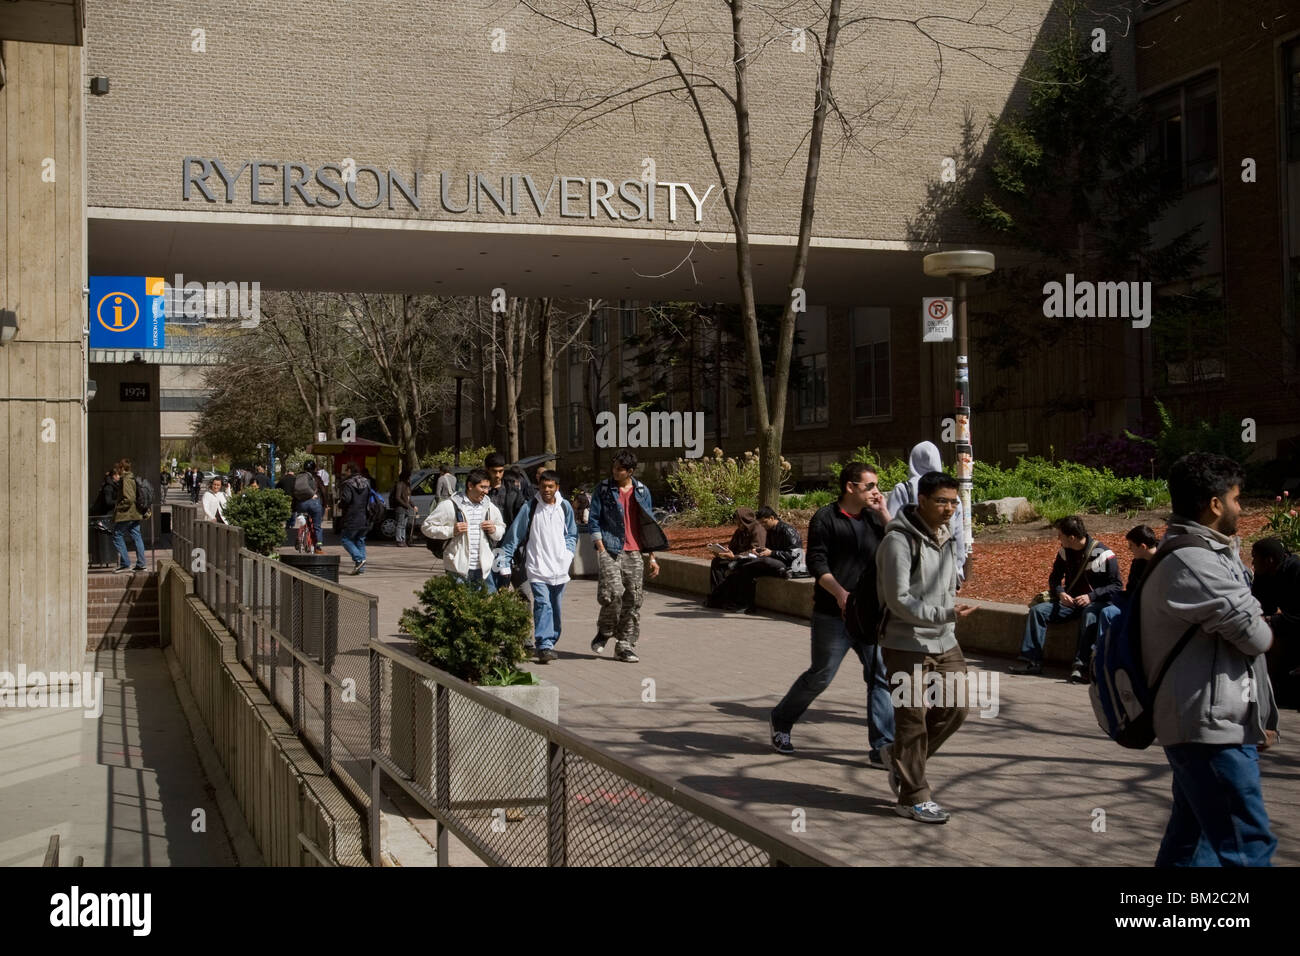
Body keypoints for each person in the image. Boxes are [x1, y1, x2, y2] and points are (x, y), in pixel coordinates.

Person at [1142, 452, 1278, 866]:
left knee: (1192, 840)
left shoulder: (1209, 552)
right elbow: (1258, 635)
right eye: (1237, 499)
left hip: (1211, 722)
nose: (1241, 507)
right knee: (1247, 845)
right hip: (1209, 727)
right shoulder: (1195, 560)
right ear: (1215, 504)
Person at [769, 462, 896, 766]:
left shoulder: (874, 519)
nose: (876, 491)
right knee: (821, 675)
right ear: (850, 487)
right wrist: (840, 594)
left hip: (869, 615)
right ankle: (781, 720)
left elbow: (897, 548)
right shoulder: (825, 518)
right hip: (833, 615)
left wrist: (885, 514)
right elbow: (817, 563)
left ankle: (883, 746)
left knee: (880, 675)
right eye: (870, 486)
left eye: (877, 486)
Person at [878, 471, 977, 823]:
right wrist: (944, 612)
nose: (950, 508)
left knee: (958, 706)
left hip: (944, 638)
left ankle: (900, 757)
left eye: (953, 501)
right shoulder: (898, 542)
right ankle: (912, 797)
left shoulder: (947, 537)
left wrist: (948, 613)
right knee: (912, 719)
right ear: (921, 500)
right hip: (906, 642)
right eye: (942, 501)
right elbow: (898, 599)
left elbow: (946, 585)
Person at [1010, 515, 1122, 681]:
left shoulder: (1103, 554)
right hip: (1070, 602)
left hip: (1095, 603)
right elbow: (1054, 578)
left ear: (1072, 537)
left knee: (1090, 614)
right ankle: (1032, 661)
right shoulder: (1064, 552)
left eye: (1060, 535)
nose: (1058, 538)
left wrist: (1091, 596)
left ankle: (1081, 666)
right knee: (1037, 611)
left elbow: (1116, 586)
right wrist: (1060, 593)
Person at [587, 450, 663, 663]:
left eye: (619, 469)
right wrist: (600, 547)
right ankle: (605, 630)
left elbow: (647, 525)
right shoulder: (603, 489)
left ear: (630, 471)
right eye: (614, 468)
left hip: (635, 551)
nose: (615, 472)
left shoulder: (641, 490)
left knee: (633, 599)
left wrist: (653, 557)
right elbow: (594, 519)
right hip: (610, 549)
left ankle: (625, 645)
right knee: (613, 593)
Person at [496, 470, 578, 663]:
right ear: (538, 487)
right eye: (543, 486)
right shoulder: (530, 507)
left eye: (550, 486)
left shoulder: (564, 507)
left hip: (559, 566)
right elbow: (514, 535)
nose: (546, 490)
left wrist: (568, 554)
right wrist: (505, 560)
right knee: (543, 604)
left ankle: (550, 639)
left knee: (555, 608)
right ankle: (544, 645)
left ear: (557, 487)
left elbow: (572, 534)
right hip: (537, 566)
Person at [888, 441, 968, 583]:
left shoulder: (903, 488)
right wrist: (958, 567)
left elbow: (892, 524)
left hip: (912, 564)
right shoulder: (950, 492)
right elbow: (957, 534)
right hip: (944, 563)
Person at [708, 506, 803, 612]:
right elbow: (764, 548)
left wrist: (772, 553)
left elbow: (796, 555)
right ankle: (742, 604)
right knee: (745, 568)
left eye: (764, 522)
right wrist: (758, 551)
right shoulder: (769, 530)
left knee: (755, 562)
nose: (762, 525)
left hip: (786, 565)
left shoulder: (788, 531)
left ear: (772, 518)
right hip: (770, 560)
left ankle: (743, 604)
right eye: (761, 523)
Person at [422, 467, 504, 590]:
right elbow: (427, 527)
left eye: (488, 487)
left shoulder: (489, 507)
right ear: (470, 486)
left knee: (487, 607)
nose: (486, 491)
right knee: (458, 608)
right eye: (482, 487)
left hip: (484, 570)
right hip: (457, 569)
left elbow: (501, 528)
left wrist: (494, 530)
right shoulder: (450, 505)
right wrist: (451, 531)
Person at [1250, 536, 1300, 708]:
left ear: (1269, 560)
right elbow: (1259, 605)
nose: (1252, 563)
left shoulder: (1296, 570)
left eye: (1255, 557)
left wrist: (1272, 620)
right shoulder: (1264, 574)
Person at [704, 508, 766, 607]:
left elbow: (756, 551)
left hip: (749, 560)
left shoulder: (757, 530)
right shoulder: (739, 531)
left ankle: (723, 599)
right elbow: (732, 547)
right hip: (736, 557)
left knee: (738, 568)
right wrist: (721, 552)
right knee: (717, 562)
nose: (737, 524)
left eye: (739, 521)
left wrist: (735, 556)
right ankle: (718, 597)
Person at [484, 452, 525, 589]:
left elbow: (521, 517)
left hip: (508, 547)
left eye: (501, 471)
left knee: (519, 589)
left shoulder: (512, 491)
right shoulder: (481, 491)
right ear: (487, 470)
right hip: (488, 546)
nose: (497, 475)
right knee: (492, 588)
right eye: (494, 471)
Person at [111, 458, 148, 573]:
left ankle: (125, 563)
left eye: (119, 469)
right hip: (134, 513)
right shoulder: (132, 478)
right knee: (137, 536)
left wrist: (118, 508)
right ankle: (141, 564)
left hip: (127, 514)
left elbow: (129, 498)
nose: (118, 471)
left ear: (122, 468)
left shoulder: (126, 479)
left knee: (117, 535)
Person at [338, 462, 372, 574]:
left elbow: (346, 500)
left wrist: (340, 503)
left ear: (349, 471)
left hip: (352, 516)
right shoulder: (367, 482)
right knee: (360, 540)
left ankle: (359, 559)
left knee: (346, 539)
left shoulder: (348, 484)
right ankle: (361, 568)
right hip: (364, 516)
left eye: (346, 470)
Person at [293, 460, 326, 554]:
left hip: (301, 504)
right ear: (314, 468)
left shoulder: (299, 477)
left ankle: (300, 534)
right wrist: (325, 504)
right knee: (317, 526)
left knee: (302, 518)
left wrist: (294, 507)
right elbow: (323, 491)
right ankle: (318, 546)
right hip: (314, 503)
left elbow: (294, 493)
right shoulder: (317, 478)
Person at [392, 468, 418, 547]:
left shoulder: (407, 485)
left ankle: (403, 539)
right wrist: (406, 505)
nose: (409, 478)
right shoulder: (399, 484)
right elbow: (398, 497)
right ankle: (399, 540)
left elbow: (408, 498)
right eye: (409, 476)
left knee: (404, 524)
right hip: (400, 507)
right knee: (400, 524)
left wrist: (413, 505)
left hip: (406, 508)